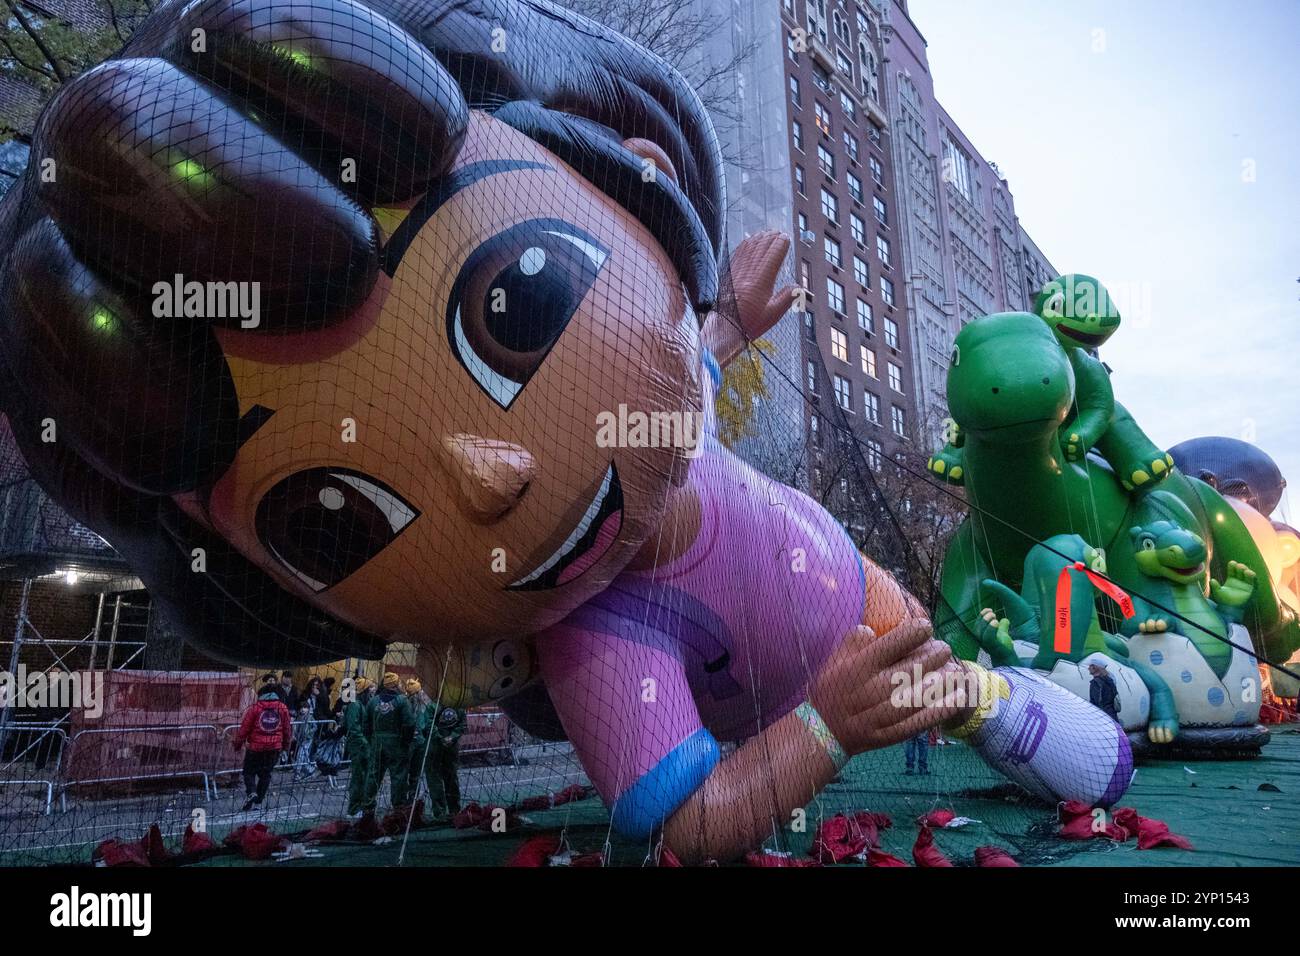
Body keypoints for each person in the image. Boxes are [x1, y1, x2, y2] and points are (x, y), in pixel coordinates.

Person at [233, 677, 293, 812]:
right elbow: (287, 730)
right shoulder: (282, 708)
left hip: (256, 748)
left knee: (249, 772)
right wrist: (285, 746)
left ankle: (252, 792)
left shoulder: (255, 708)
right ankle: (258, 800)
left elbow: (244, 729)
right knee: (266, 774)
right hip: (274, 748)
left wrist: (237, 744)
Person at [365, 673, 415, 810]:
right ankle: (398, 808)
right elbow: (410, 724)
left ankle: (368, 809)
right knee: (398, 776)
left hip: (377, 743)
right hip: (396, 744)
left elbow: (365, 725)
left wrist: (372, 741)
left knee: (373, 775)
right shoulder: (402, 701)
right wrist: (406, 742)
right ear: (396, 684)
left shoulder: (373, 701)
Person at [424, 706, 467, 820]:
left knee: (435, 778)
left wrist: (440, 738)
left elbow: (428, 725)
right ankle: (454, 810)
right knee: (451, 777)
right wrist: (452, 737)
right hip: (451, 746)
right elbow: (463, 725)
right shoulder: (458, 706)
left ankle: (440, 812)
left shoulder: (432, 706)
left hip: (435, 746)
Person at [343, 677, 375, 816]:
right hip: (358, 747)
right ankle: (354, 808)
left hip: (363, 746)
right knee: (358, 778)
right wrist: (365, 744)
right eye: (370, 688)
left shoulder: (362, 704)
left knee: (364, 778)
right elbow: (354, 728)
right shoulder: (355, 705)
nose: (372, 691)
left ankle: (360, 806)